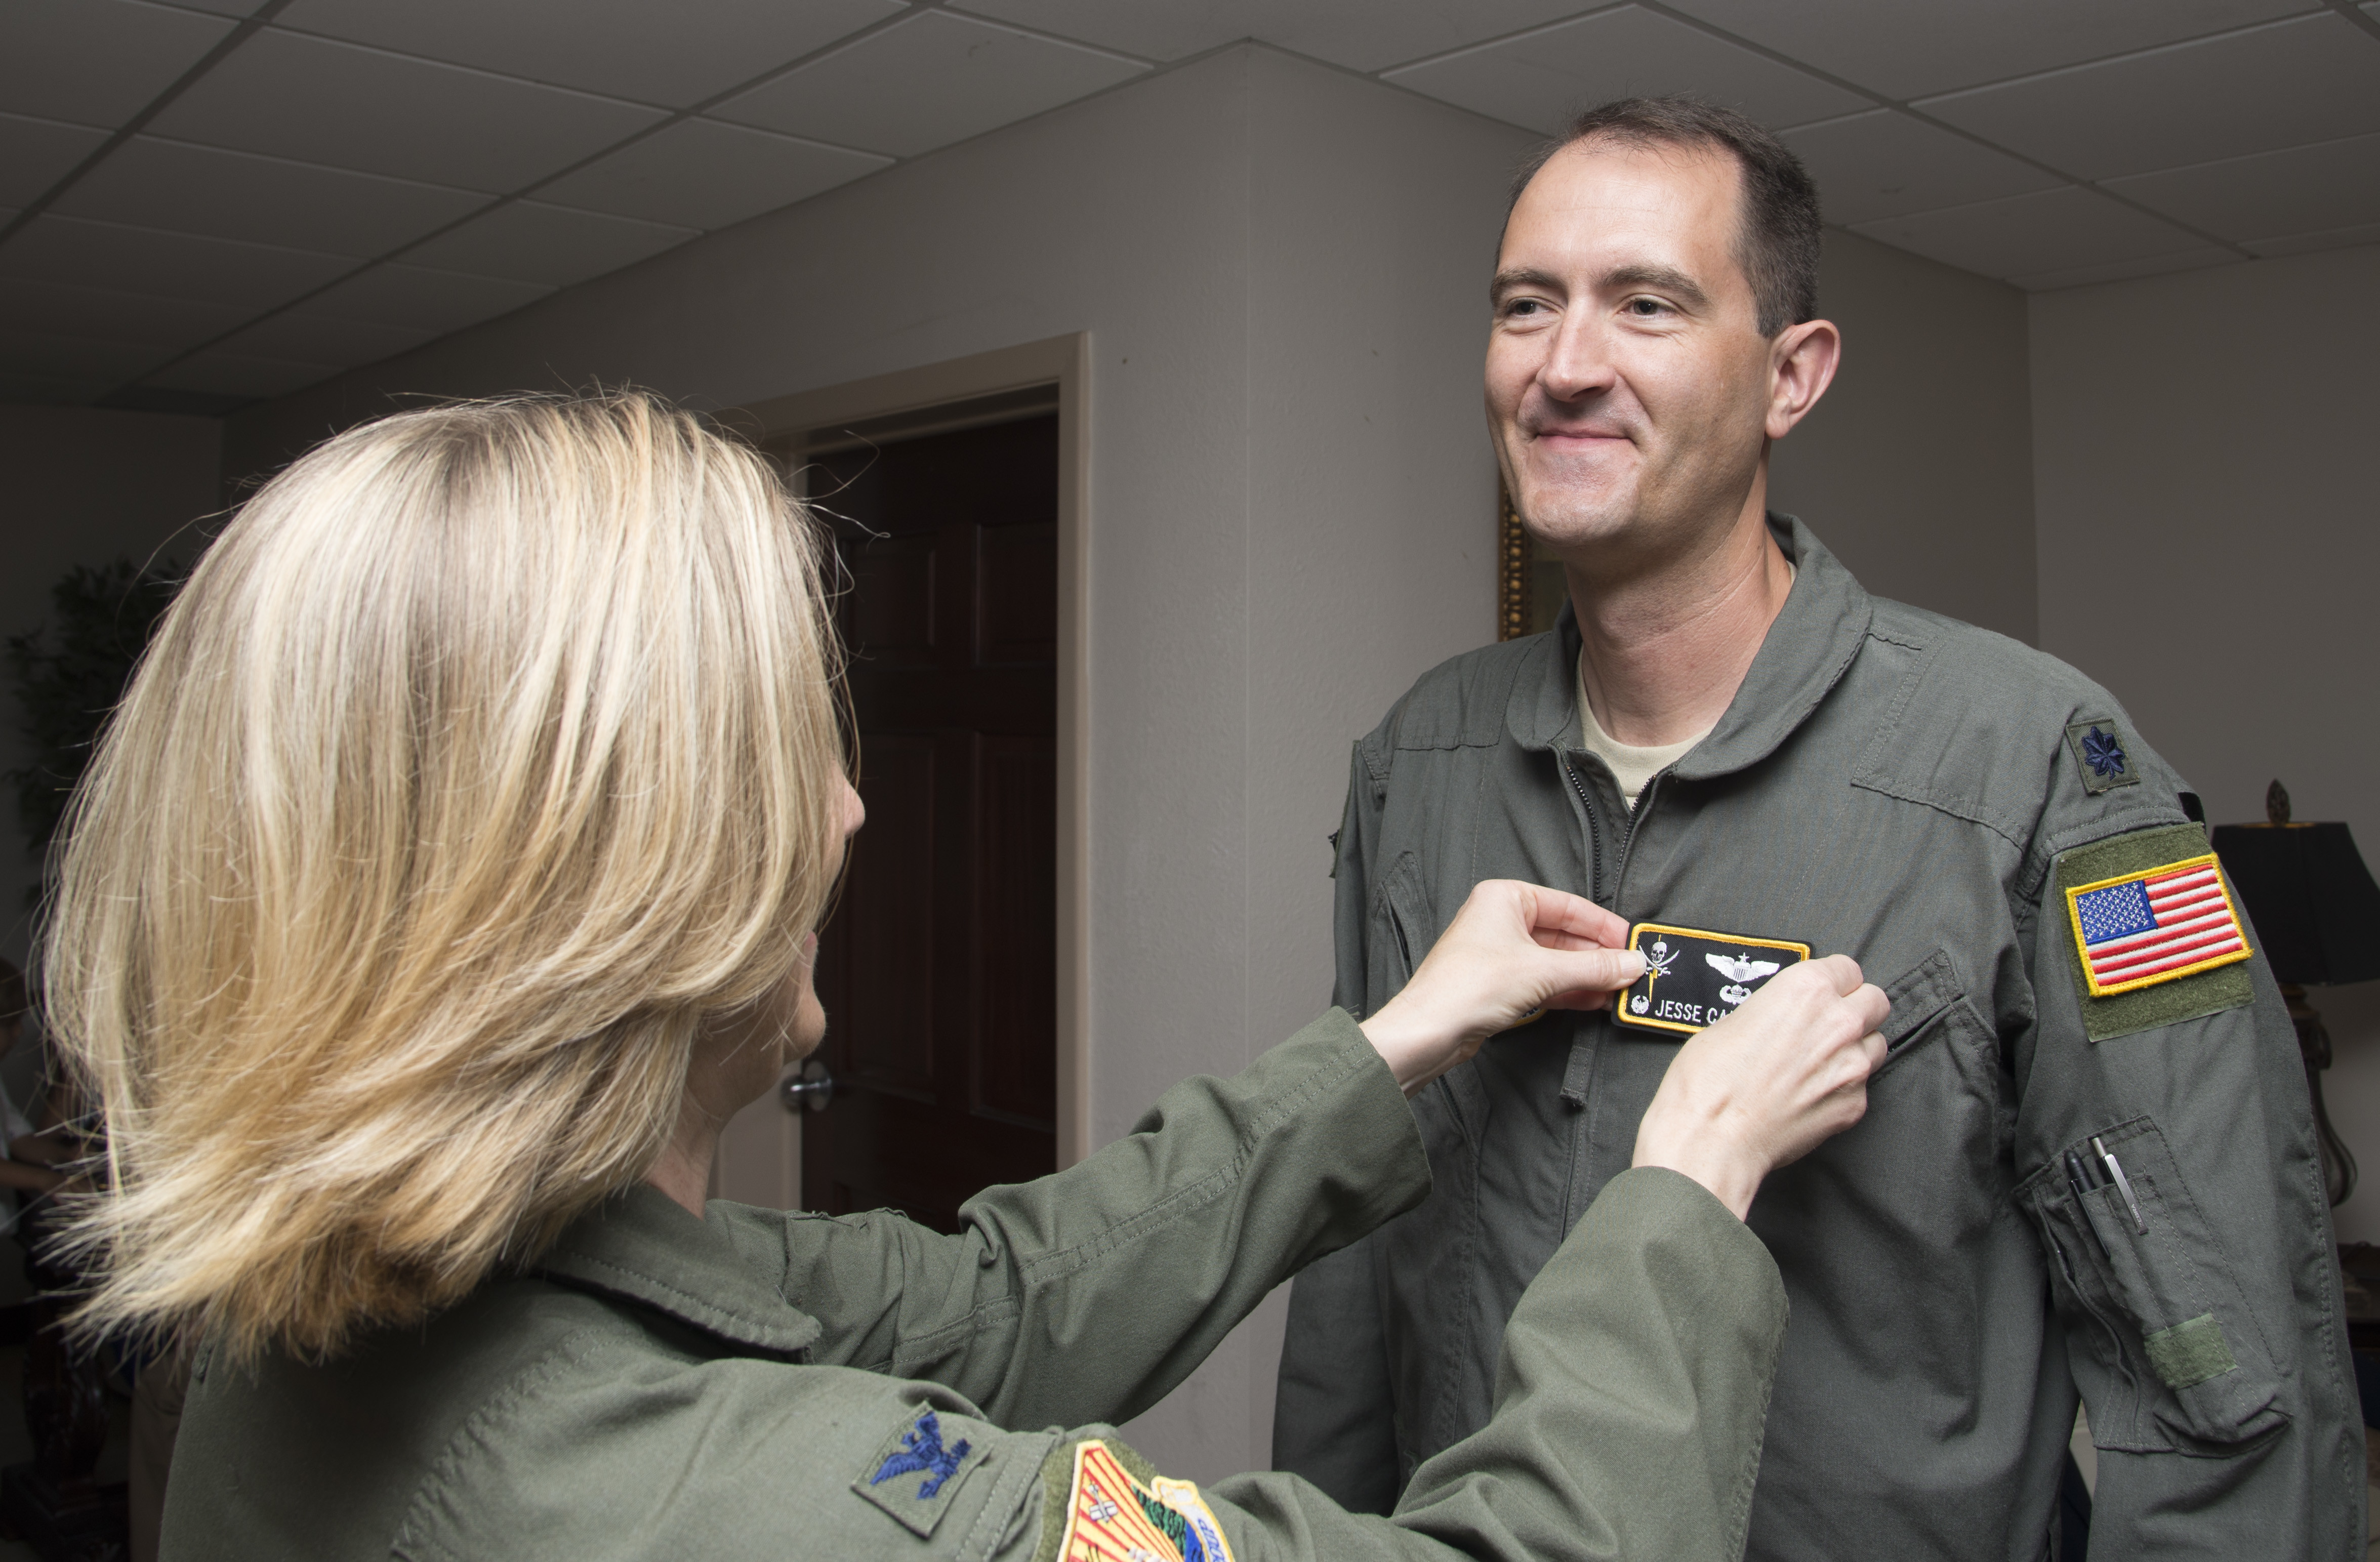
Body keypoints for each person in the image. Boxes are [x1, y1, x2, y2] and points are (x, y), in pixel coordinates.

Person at [36, 392, 1891, 1562]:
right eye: (784, 756)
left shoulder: (344, 1308)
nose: (848, 810)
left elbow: (992, 1303)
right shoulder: (767, 1513)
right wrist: (1685, 1190)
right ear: (613, 885)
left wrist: (1393, 1044)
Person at [1273, 96, 2363, 1561]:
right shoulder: (1422, 763)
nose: (1564, 365)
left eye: (1646, 304)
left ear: (1793, 377)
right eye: (1525, 307)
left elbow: (2230, 1375)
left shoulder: (2037, 772)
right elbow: (1357, 1263)